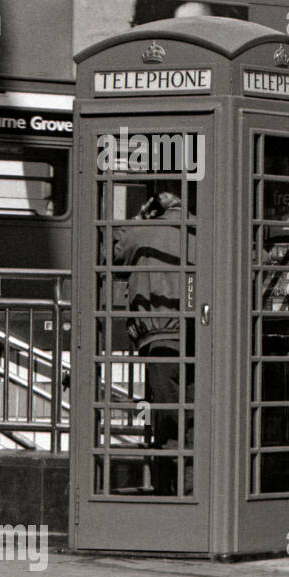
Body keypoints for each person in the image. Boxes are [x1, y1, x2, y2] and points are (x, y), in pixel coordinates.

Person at [112, 186, 192, 496]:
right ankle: (190, 486)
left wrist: (137, 218)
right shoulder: (203, 229)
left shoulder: (143, 231)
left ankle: (168, 489)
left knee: (166, 414)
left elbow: (111, 251)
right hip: (198, 332)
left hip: (158, 336)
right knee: (190, 413)